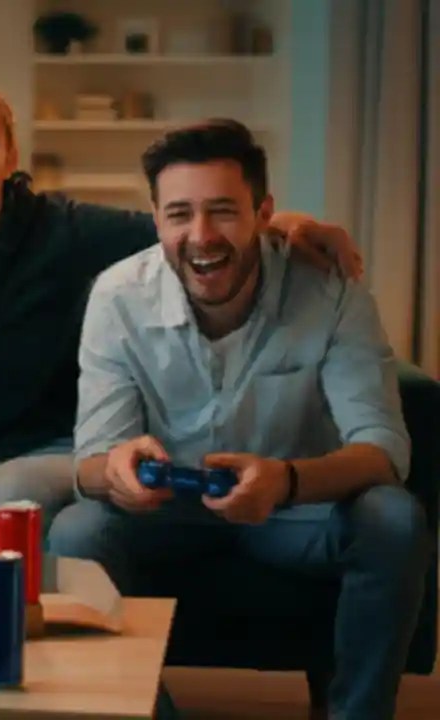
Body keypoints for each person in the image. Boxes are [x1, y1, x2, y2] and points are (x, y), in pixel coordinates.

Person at [0, 81, 364, 552]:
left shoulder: (65, 230)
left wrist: (284, 224)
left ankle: (13, 641)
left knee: (10, 489)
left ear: (11, 156)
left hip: (51, 450)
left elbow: (183, 227)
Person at [48, 119, 428, 720]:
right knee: (75, 532)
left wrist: (286, 479)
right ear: (155, 218)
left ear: (263, 212)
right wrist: (115, 470)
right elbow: (93, 459)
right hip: (169, 510)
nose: (201, 236)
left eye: (223, 211)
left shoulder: (332, 292)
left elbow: (384, 451)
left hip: (294, 511)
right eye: (179, 214)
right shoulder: (117, 296)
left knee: (395, 518)